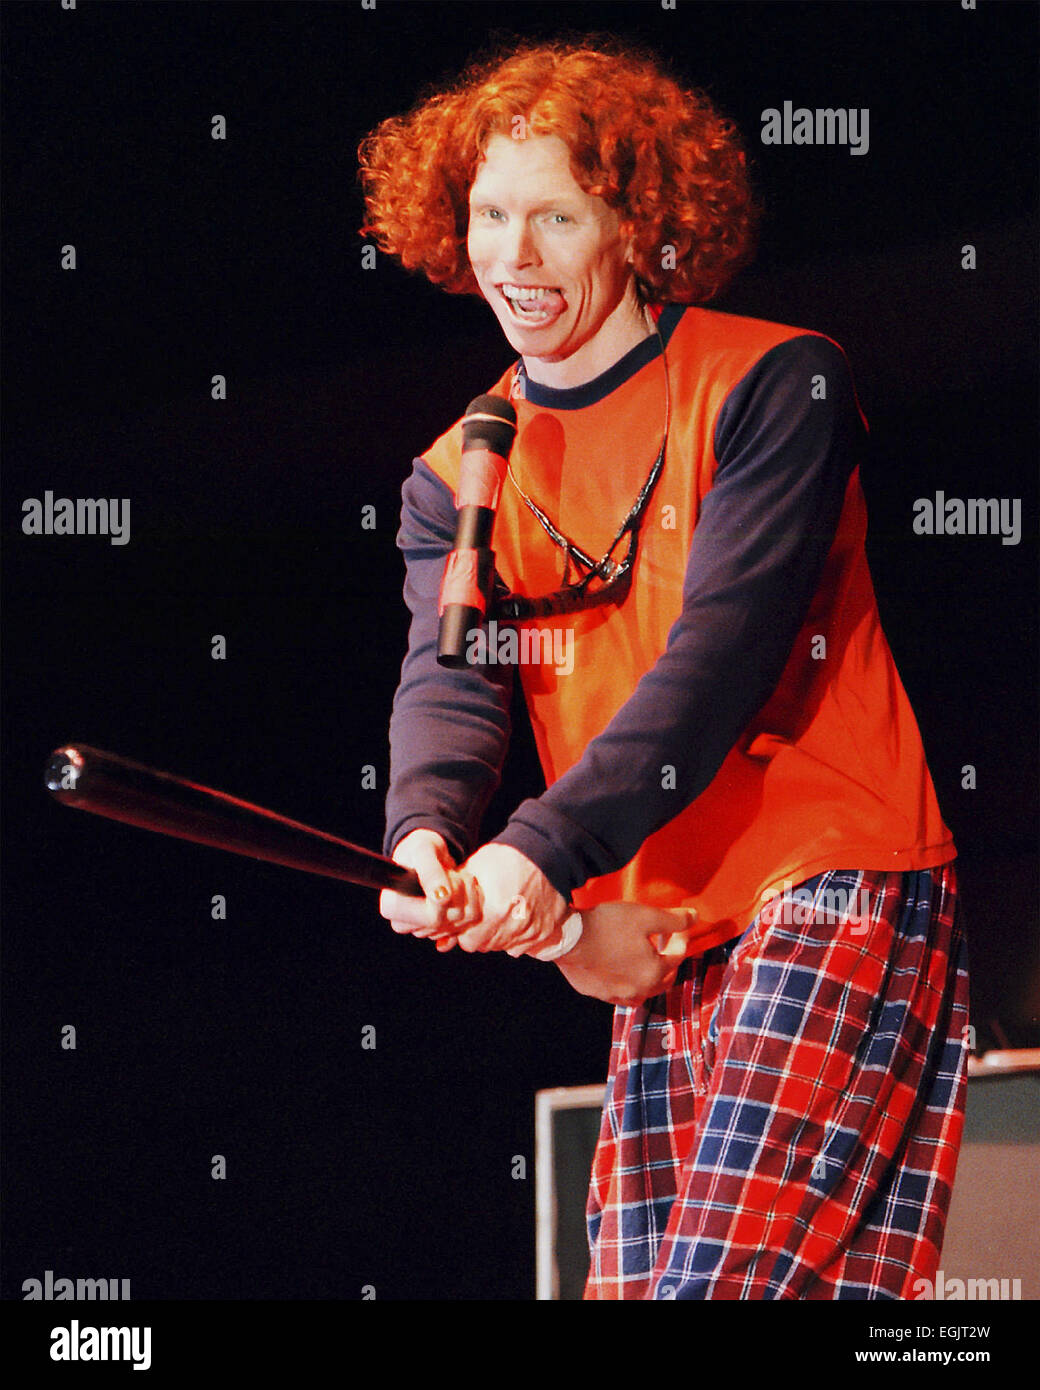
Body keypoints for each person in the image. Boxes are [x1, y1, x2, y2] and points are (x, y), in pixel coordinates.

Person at [359, 38, 969, 1300]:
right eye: (486, 216)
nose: (510, 259)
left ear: (634, 226)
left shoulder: (771, 381)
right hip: (655, 928)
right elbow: (454, 675)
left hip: (825, 887)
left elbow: (722, 654)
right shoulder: (452, 474)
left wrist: (538, 850)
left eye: (552, 218)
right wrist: (425, 836)